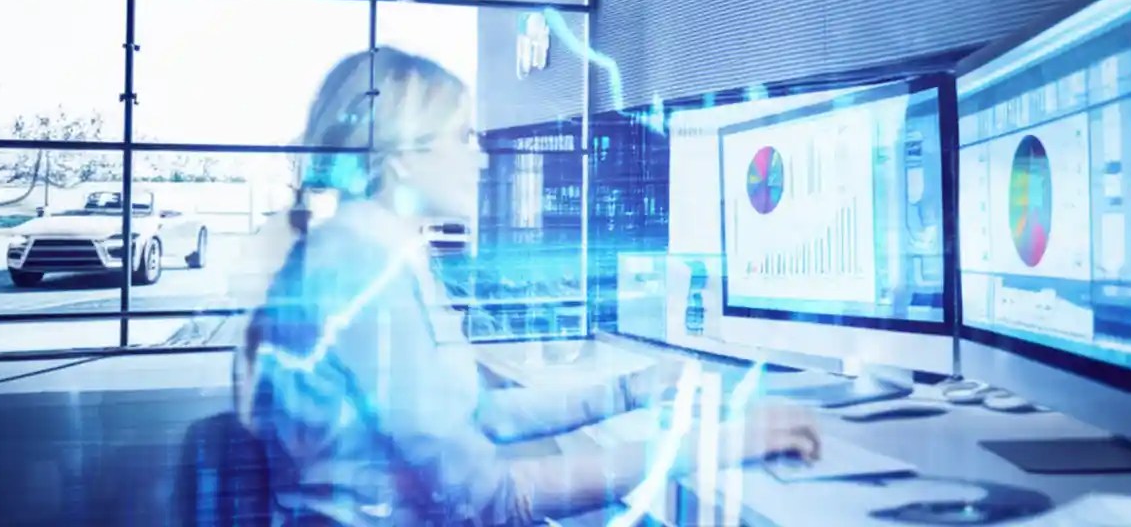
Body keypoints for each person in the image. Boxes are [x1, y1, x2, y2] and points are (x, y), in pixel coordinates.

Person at [235, 47, 822, 525]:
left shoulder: (375, 255)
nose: (483, 160)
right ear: (402, 161)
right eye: (462, 138)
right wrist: (724, 443)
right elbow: (492, 499)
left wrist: (630, 390)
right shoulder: (363, 276)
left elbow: (473, 415)